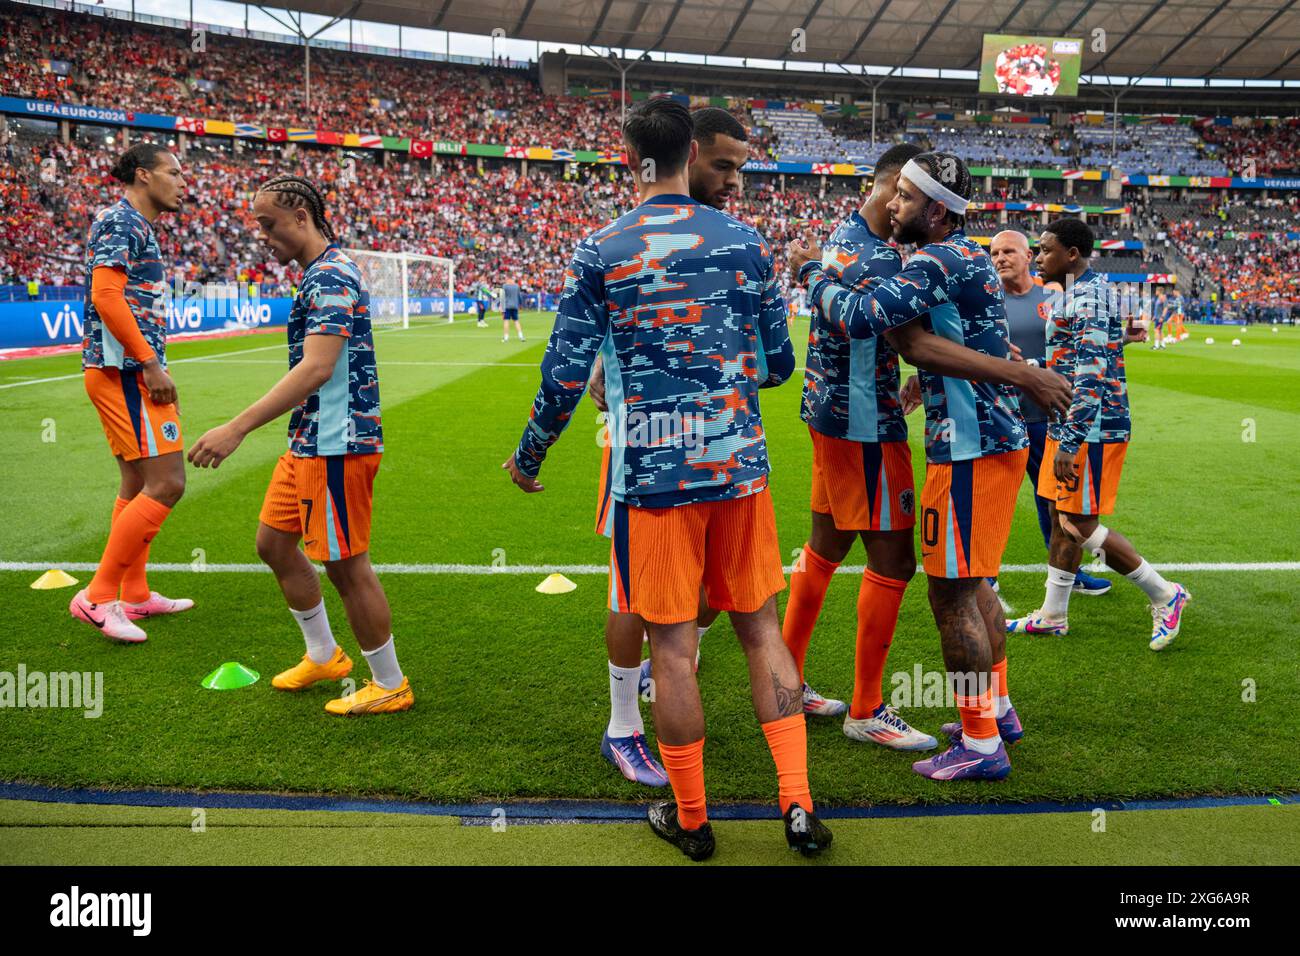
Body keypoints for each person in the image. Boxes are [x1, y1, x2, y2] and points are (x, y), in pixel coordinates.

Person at [504, 98, 831, 859]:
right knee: (759, 632)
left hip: (652, 477)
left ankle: (693, 820)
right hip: (740, 470)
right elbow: (779, 365)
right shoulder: (747, 242)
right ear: (692, 153)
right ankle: (799, 808)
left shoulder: (600, 249)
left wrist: (529, 455)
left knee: (675, 651)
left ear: (632, 158)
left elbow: (561, 375)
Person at [790, 152, 1072, 782]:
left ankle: (979, 744)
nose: (891, 205)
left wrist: (809, 267)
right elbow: (939, 343)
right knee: (975, 585)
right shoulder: (969, 254)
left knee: (950, 593)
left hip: (970, 447)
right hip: (987, 439)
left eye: (905, 198)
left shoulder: (933, 260)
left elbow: (870, 321)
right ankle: (996, 712)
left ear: (936, 209)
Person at [188, 175, 413, 715]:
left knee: (345, 566)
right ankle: (324, 654)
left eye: (268, 224)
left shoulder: (331, 274)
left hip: (338, 442)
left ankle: (390, 683)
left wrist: (236, 427)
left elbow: (316, 368)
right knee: (273, 545)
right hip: (309, 440)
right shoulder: (317, 274)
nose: (262, 236)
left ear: (302, 218)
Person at [584, 106, 751, 787]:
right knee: (632, 593)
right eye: (723, 167)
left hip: (723, 451)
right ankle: (623, 726)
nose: (734, 182)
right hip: (646, 452)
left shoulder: (729, 238)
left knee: (718, 587)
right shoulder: (632, 238)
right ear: (686, 158)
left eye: (741, 168)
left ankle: (671, 666)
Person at [1008, 218, 1191, 650]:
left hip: (1090, 429)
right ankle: (1053, 614)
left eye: (1046, 249)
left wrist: (1070, 443)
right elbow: (1080, 359)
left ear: (1071, 255)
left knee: (1077, 522)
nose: (1037, 256)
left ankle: (1166, 594)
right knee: (1058, 517)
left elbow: (1090, 378)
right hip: (1068, 423)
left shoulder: (1088, 297)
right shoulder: (1082, 292)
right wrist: (1031, 370)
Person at [69, 143, 192, 644]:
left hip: (129, 371)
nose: (184, 182)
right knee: (168, 482)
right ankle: (97, 598)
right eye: (174, 172)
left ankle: (135, 593)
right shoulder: (120, 221)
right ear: (143, 175)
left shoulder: (137, 226)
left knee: (138, 484)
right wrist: (148, 363)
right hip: (122, 371)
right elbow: (105, 295)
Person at [983, 229, 1111, 604]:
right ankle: (985, 573)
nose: (1000, 258)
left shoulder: (1055, 296)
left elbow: (1081, 350)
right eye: (994, 253)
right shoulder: (987, 302)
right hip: (1001, 418)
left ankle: (1068, 572)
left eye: (1009, 251)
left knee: (1054, 501)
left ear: (1028, 256)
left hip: (1046, 418)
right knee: (994, 497)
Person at [501, 278, 524, 342]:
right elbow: (519, 296)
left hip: (507, 306)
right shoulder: (517, 286)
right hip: (515, 306)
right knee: (516, 321)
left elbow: (502, 297)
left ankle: (506, 337)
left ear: (508, 278)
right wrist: (520, 305)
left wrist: (501, 307)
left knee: (506, 321)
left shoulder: (505, 286)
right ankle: (521, 336)